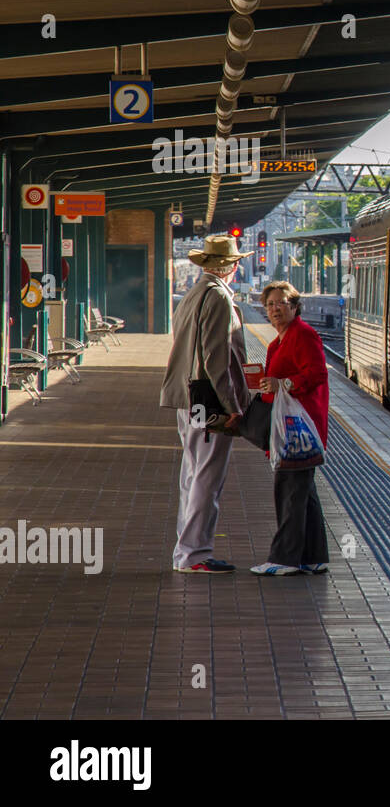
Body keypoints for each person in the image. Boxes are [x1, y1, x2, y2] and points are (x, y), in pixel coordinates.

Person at [159, 234, 253, 573]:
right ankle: (195, 554)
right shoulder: (218, 298)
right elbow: (217, 359)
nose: (238, 266)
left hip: (188, 397)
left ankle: (185, 551)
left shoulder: (193, 295)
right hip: (208, 399)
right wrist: (232, 406)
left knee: (193, 472)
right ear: (228, 266)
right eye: (237, 262)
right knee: (207, 476)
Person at [250, 280, 330, 576]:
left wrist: (284, 383)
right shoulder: (277, 342)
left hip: (298, 428)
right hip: (289, 425)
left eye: (281, 303)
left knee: (290, 493)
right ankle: (313, 556)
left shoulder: (303, 335)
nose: (274, 309)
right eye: (270, 304)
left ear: (295, 307)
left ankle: (284, 559)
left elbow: (317, 373)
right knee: (304, 492)